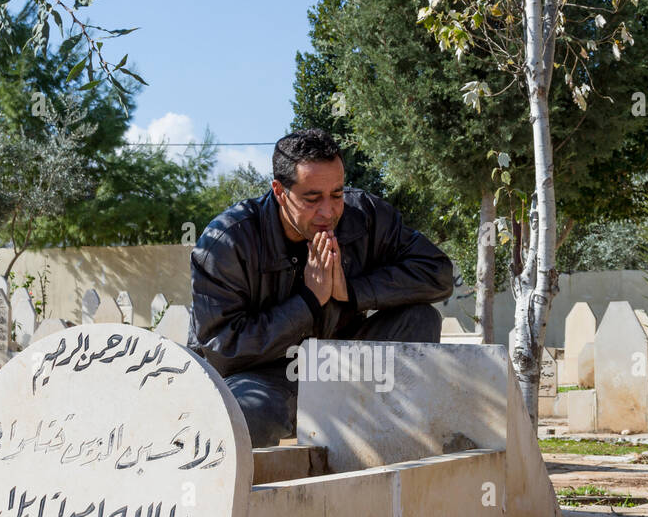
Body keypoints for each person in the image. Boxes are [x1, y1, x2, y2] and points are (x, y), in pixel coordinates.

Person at [189, 128, 455, 446]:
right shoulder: (227, 242)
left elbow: (438, 273)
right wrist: (309, 301)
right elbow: (222, 352)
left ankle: (387, 443)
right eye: (312, 199)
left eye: (337, 194)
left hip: (340, 362)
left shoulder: (365, 217)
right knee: (244, 416)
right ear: (278, 191)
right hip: (265, 376)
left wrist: (352, 292)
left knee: (420, 319)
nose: (328, 212)